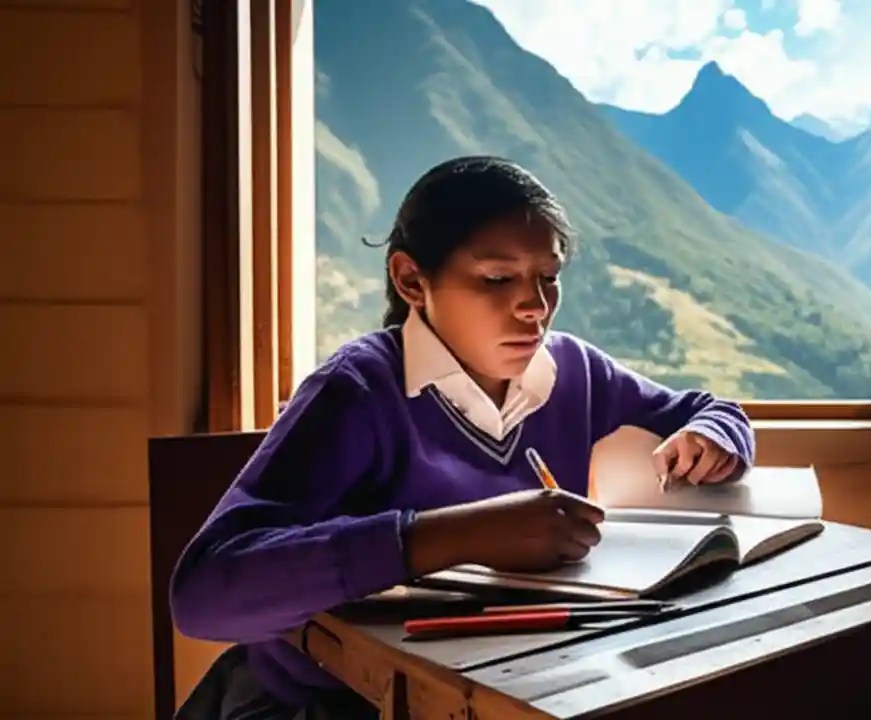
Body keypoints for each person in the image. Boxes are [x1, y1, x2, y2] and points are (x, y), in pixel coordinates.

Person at [170, 156, 756, 718]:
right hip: (331, 703)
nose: (535, 307)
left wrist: (714, 435)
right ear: (411, 280)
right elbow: (201, 596)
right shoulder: (358, 392)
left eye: (548, 277)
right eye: (498, 278)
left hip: (503, 685)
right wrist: (460, 534)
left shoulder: (576, 372)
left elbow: (704, 409)